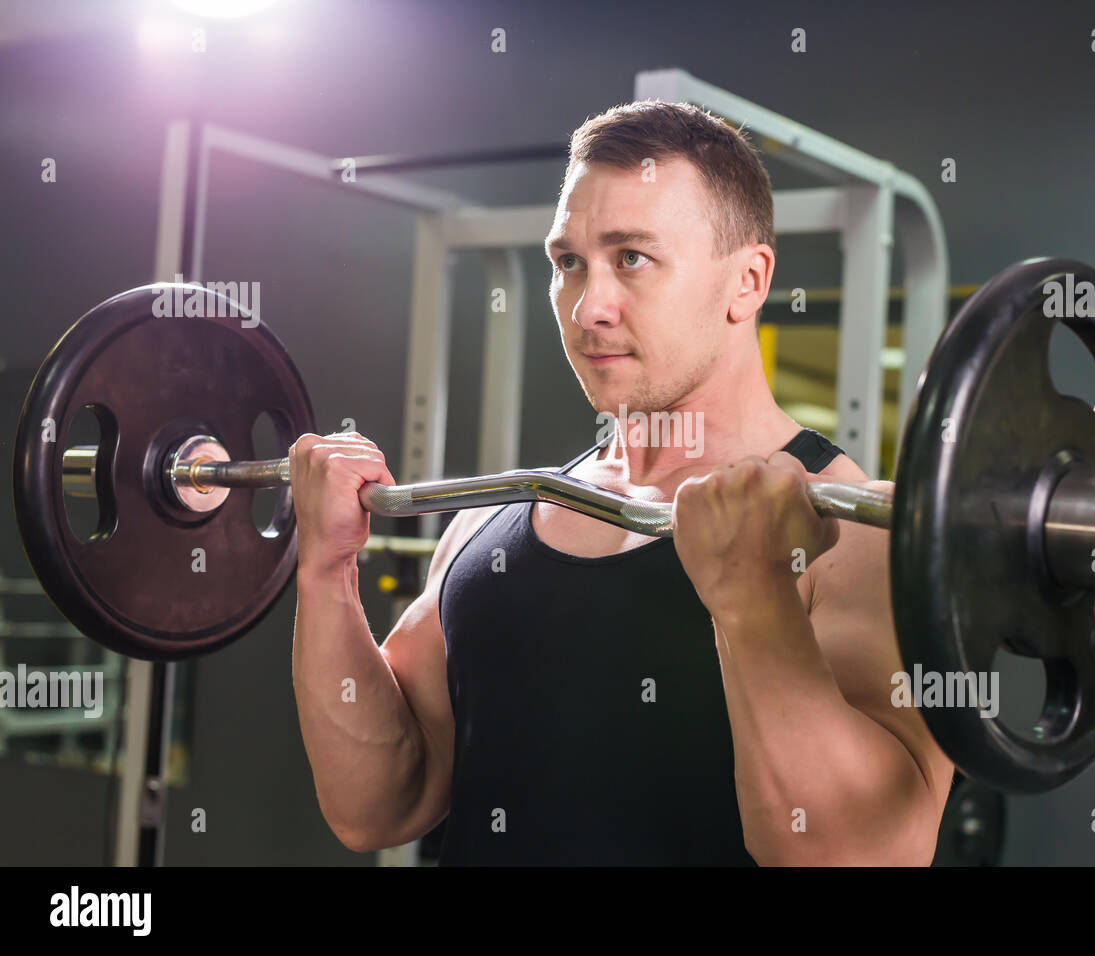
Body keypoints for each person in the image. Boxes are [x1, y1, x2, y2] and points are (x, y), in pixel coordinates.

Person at [289, 100, 952, 865]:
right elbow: (377, 804)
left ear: (747, 281)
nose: (586, 305)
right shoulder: (498, 523)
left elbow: (864, 858)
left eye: (631, 257)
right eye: (569, 262)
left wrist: (754, 602)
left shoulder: (854, 539)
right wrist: (325, 571)